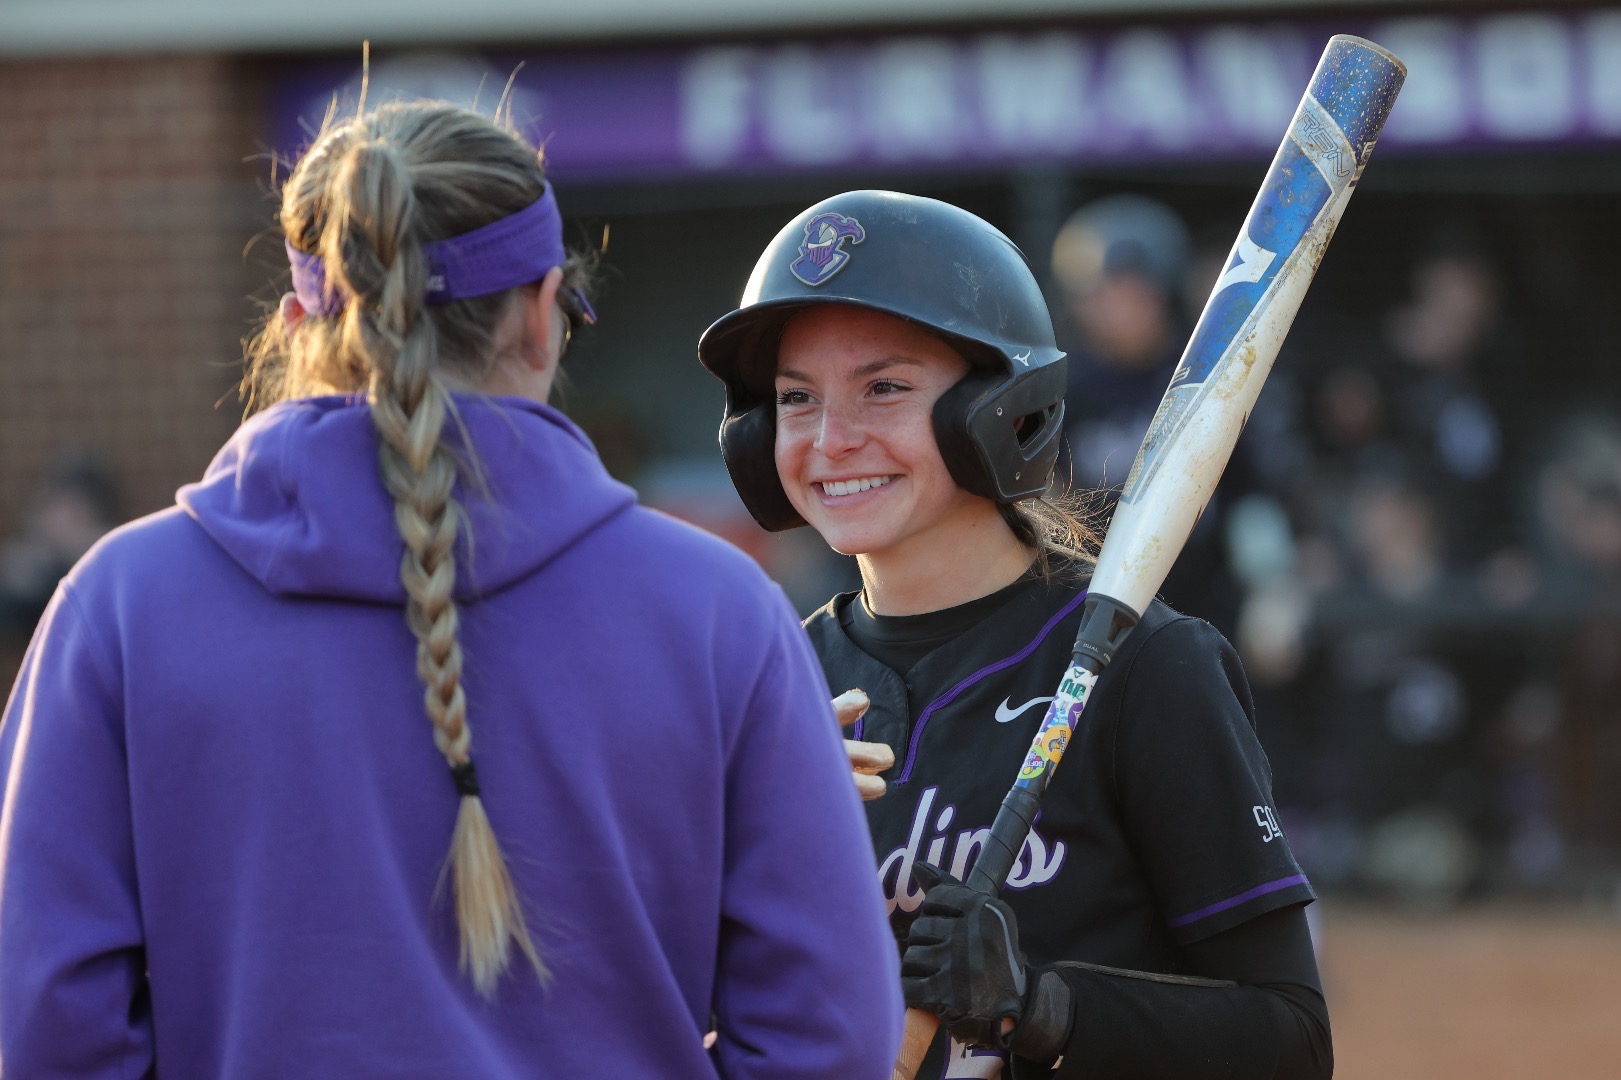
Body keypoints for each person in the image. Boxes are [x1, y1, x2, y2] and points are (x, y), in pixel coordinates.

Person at [0, 102, 902, 1079]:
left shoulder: (123, 607)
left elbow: (44, 1023)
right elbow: (830, 1033)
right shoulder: (720, 612)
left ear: (301, 319)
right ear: (542, 310)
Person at [699, 190, 1332, 1078]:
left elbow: (1290, 1040)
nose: (831, 439)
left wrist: (1042, 1009)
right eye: (795, 399)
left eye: (883, 388)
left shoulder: (1144, 668)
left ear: (998, 409)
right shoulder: (775, 680)